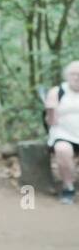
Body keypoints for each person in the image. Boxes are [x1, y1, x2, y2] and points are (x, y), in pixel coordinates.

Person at [45, 60, 79, 204]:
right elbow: (50, 122)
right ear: (67, 76)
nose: (77, 77)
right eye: (74, 74)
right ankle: (68, 187)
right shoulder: (57, 91)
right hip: (64, 135)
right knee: (62, 149)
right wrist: (51, 110)